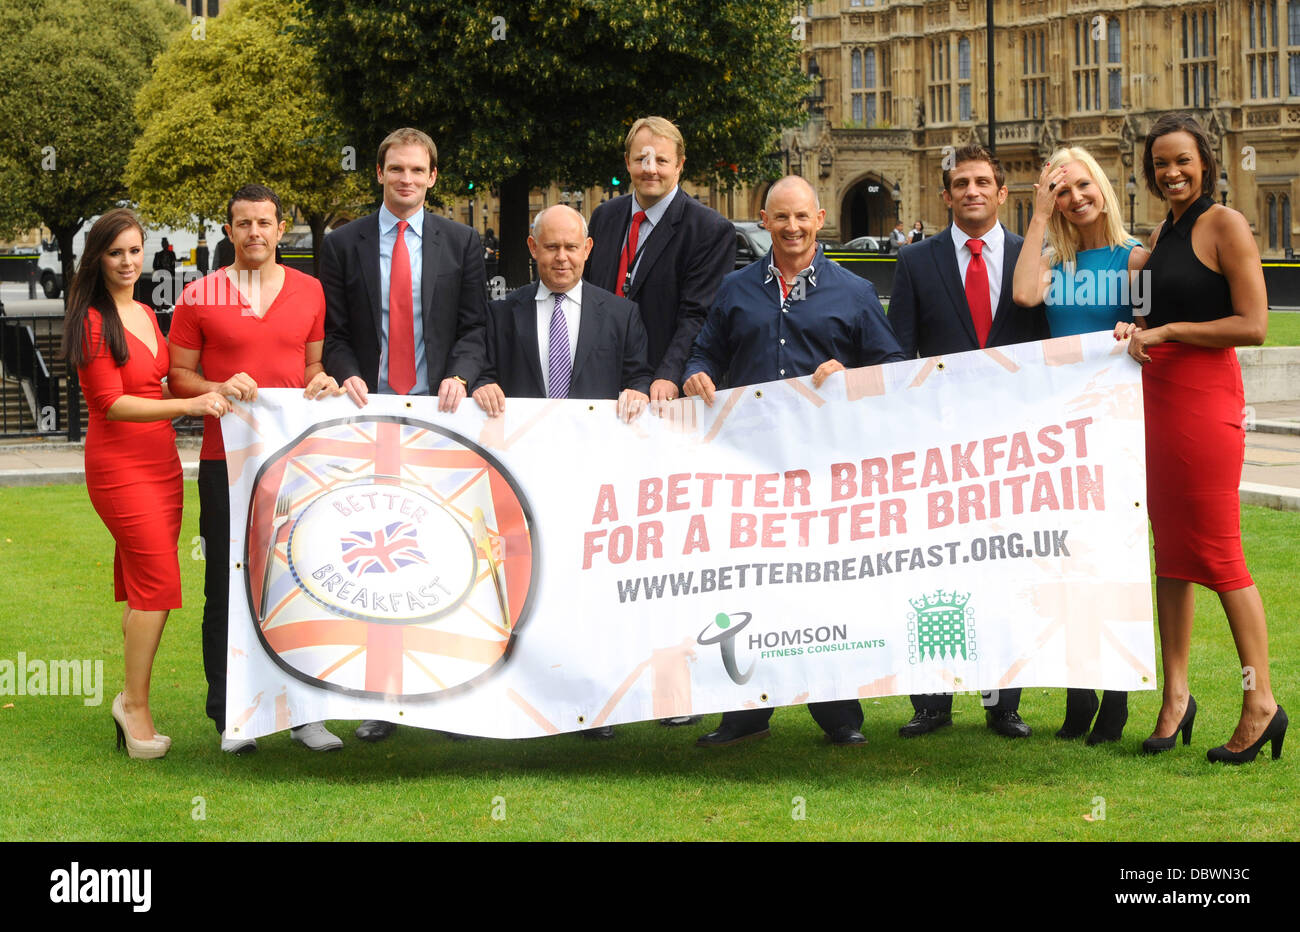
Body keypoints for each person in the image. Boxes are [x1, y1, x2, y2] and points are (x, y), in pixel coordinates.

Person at [683, 176, 906, 747]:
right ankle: (746, 711)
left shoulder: (854, 291)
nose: (792, 228)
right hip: (750, 466)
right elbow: (706, 350)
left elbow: (892, 369)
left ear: (820, 217)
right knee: (749, 584)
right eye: (780, 218)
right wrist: (695, 373)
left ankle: (837, 710)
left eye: (802, 217)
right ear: (764, 219)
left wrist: (850, 377)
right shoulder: (736, 289)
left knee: (820, 584)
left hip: (824, 468)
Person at [1116, 112, 1285, 763]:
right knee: (1172, 558)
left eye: (1181, 159)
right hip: (1156, 404)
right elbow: (1147, 314)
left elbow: (1254, 324)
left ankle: (1260, 700)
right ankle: (1176, 697)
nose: (1170, 171)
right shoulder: (1162, 234)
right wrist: (1135, 330)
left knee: (1219, 556)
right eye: (1160, 162)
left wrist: (1167, 333)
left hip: (1205, 403)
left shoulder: (1226, 225)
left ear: (1206, 163)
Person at [321, 127, 488, 743]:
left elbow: (476, 328)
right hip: (369, 425)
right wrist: (348, 374)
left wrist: (461, 374)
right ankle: (383, 701)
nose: (407, 180)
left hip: (441, 423)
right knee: (379, 560)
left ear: (433, 177)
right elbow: (334, 332)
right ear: (379, 172)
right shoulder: (341, 245)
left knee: (447, 556)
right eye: (396, 170)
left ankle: (452, 694)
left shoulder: (463, 243)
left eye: (418, 171)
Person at [169, 184, 347, 754]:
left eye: (265, 223)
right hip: (228, 464)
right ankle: (232, 715)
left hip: (300, 463)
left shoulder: (310, 291)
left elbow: (314, 365)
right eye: (243, 223)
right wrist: (218, 386)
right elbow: (179, 379)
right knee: (226, 584)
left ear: (280, 228)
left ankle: (307, 711)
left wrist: (322, 382)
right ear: (229, 231)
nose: (255, 233)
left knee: (307, 582)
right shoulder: (200, 296)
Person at [888, 144, 1049, 739]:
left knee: (1006, 572)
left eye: (984, 182)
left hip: (1012, 447)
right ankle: (932, 703)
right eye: (962, 183)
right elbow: (899, 354)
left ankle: (1003, 702)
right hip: (939, 444)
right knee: (934, 573)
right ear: (947, 194)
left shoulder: (1033, 259)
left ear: (1003, 193)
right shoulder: (916, 261)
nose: (973, 191)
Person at [60, 209, 229, 759]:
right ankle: (133, 706)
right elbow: (110, 403)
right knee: (157, 583)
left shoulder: (143, 312)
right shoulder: (90, 319)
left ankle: (132, 701)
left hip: (160, 464)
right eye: (116, 253)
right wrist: (192, 403)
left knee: (143, 585)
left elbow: (165, 378)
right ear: (97, 258)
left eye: (136, 251)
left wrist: (220, 386)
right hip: (119, 467)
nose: (129, 262)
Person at [585, 115, 735, 728]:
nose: (650, 169)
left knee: (667, 553)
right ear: (629, 160)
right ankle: (606, 689)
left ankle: (673, 691)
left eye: (661, 160)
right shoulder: (603, 219)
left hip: (664, 405)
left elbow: (699, 314)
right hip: (601, 405)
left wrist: (662, 380)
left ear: (680, 165)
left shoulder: (709, 228)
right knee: (602, 553)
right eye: (640, 158)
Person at [1011, 146, 1149, 745]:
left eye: (1082, 185)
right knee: (1065, 562)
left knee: (1110, 562)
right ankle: (1078, 696)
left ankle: (1115, 701)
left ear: (1104, 185)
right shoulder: (1050, 260)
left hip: (1114, 428)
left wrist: (1135, 331)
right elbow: (1022, 298)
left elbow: (1156, 339)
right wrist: (1039, 215)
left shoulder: (1136, 258)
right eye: (1062, 191)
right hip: (1059, 433)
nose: (1075, 199)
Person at [471, 205, 651, 419]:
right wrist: (483, 386)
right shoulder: (501, 313)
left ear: (587, 249)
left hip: (596, 441)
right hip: (520, 444)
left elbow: (639, 376)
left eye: (571, 247)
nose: (561, 257)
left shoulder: (622, 315)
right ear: (533, 247)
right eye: (552, 247)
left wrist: (638, 391)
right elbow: (484, 372)